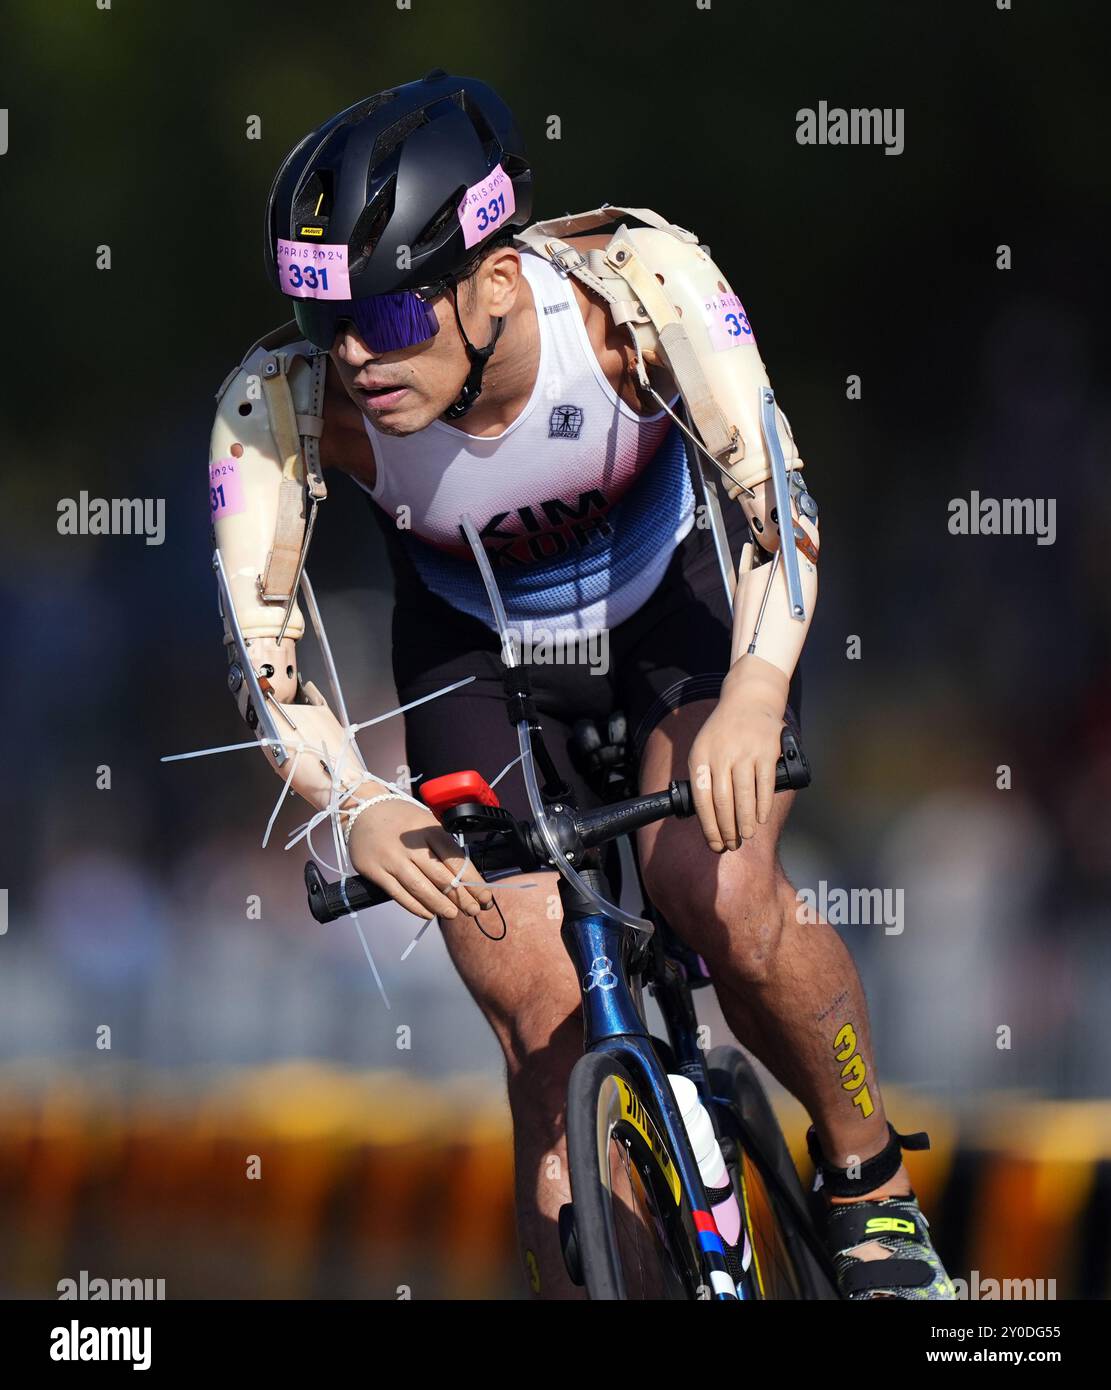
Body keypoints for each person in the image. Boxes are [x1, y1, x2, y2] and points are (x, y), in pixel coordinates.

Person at [209, 69, 955, 1300]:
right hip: (473, 669)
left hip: (677, 634)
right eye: (322, 321)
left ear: (496, 282)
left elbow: (778, 504)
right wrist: (355, 801)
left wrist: (760, 690)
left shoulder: (639, 293)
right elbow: (261, 643)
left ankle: (870, 1186)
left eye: (392, 321)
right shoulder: (284, 405)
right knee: (539, 1018)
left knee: (718, 892)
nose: (354, 358)